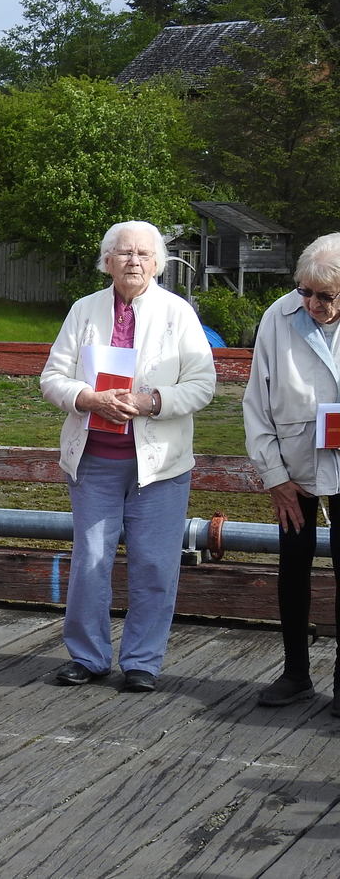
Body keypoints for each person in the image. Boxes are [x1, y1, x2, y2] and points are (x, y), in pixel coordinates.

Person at [41, 220, 215, 693]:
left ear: (157, 263)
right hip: (94, 458)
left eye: (143, 254)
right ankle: (89, 656)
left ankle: (142, 660)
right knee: (91, 560)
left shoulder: (178, 313)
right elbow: (53, 377)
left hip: (158, 463)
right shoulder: (84, 310)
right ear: (107, 261)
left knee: (155, 563)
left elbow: (202, 385)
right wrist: (88, 398)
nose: (133, 261)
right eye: (123, 253)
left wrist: (150, 402)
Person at [243, 233, 340, 715]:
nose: (313, 304)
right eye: (305, 292)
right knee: (292, 568)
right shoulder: (278, 316)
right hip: (293, 465)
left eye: (326, 296)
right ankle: (296, 673)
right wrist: (273, 474)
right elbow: (256, 403)